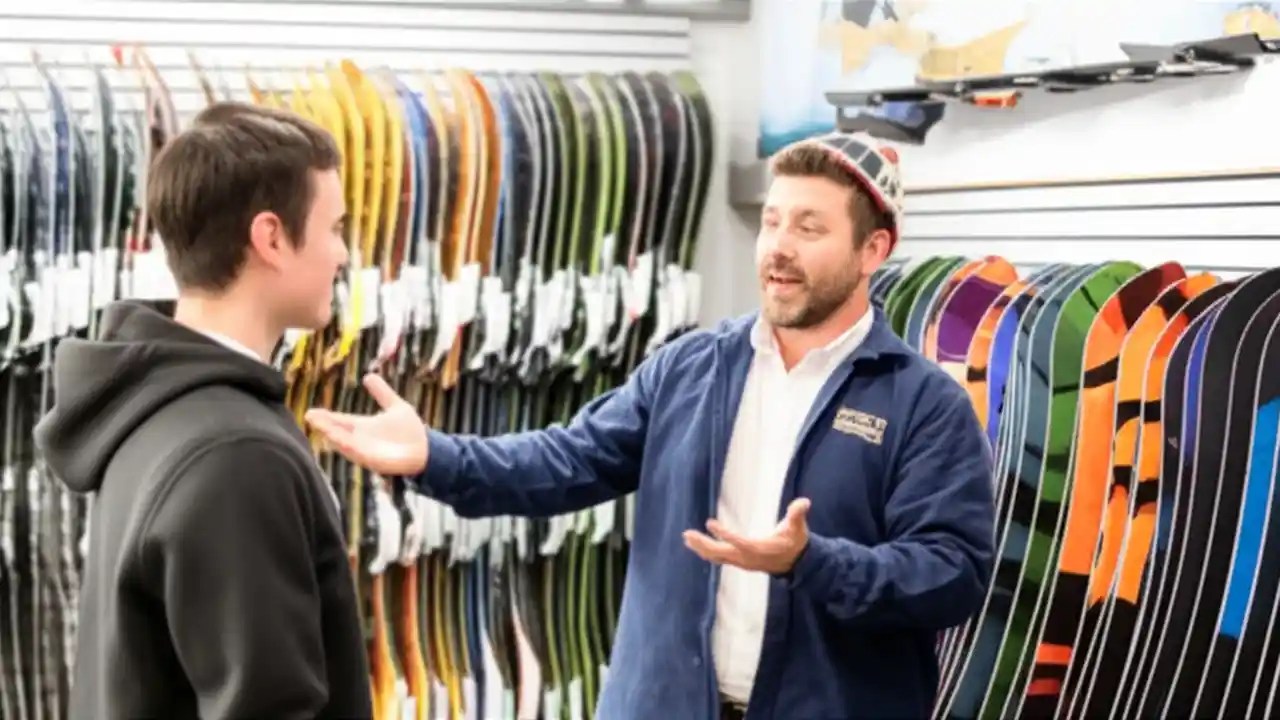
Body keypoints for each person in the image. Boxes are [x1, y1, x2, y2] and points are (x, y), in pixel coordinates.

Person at [306, 131, 995, 719]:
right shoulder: (694, 367)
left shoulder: (921, 403)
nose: (778, 247)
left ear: (872, 251)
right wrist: (434, 455)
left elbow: (952, 574)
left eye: (809, 228)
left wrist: (811, 563)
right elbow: (566, 461)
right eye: (773, 221)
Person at [33, 102, 372, 719]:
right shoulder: (235, 453)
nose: (342, 255)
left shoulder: (150, 405)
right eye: (335, 228)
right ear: (271, 237)